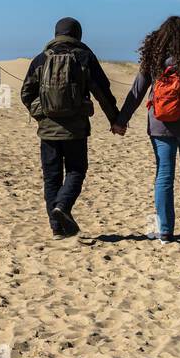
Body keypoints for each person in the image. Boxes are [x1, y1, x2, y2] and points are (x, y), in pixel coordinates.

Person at [115, 16, 180, 244]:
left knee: (164, 175)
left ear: (160, 36)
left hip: (160, 126)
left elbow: (136, 92)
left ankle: (165, 231)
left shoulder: (153, 59)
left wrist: (121, 120)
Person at [20, 17, 123, 238]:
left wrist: (41, 113)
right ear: (78, 35)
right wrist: (115, 120)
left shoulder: (40, 59)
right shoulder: (84, 57)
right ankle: (63, 207)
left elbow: (26, 93)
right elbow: (102, 92)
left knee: (52, 177)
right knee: (76, 171)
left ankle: (57, 229)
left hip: (47, 130)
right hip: (75, 129)